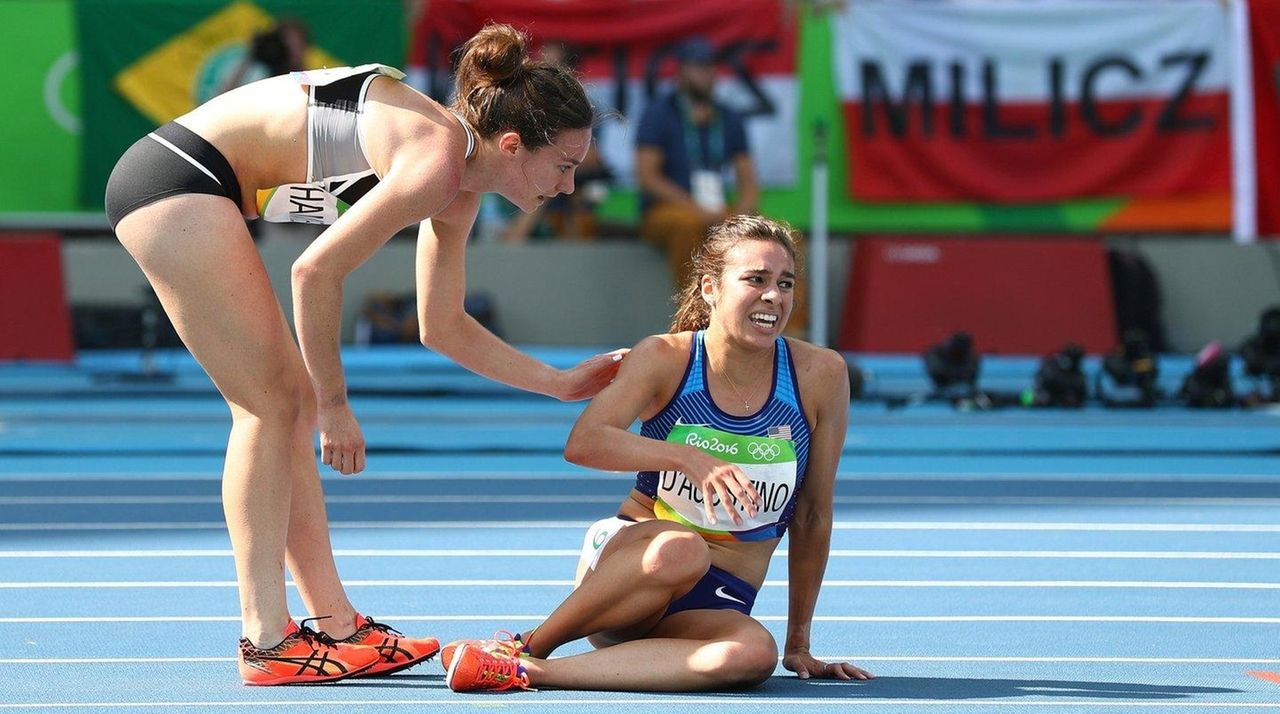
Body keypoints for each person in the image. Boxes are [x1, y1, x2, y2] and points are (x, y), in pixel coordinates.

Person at [104, 23, 624, 685]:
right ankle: (266, 639)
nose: (572, 186)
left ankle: (337, 627)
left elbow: (443, 326)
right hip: (178, 180)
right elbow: (314, 274)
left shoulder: (458, 183)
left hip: (196, 186)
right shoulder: (436, 159)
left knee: (283, 410)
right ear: (514, 145)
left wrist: (558, 382)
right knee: (270, 407)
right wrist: (336, 406)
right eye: (567, 165)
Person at [440, 215, 872, 692]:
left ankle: (524, 673)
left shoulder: (820, 374)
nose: (774, 296)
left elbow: (812, 514)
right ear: (710, 288)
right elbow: (584, 442)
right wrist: (687, 458)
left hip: (715, 602)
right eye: (755, 279)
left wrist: (798, 644)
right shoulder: (667, 358)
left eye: (784, 283)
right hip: (630, 573)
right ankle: (525, 646)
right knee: (681, 549)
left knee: (753, 654)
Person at [635, 37, 759, 287]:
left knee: (771, 235)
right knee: (688, 226)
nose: (710, 73)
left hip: (715, 208)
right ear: (681, 72)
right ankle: (694, 308)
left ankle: (791, 325)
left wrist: (742, 216)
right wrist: (693, 207)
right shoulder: (658, 114)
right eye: (700, 66)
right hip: (669, 210)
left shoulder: (729, 117)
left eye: (712, 66)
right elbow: (648, 177)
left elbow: (748, 180)